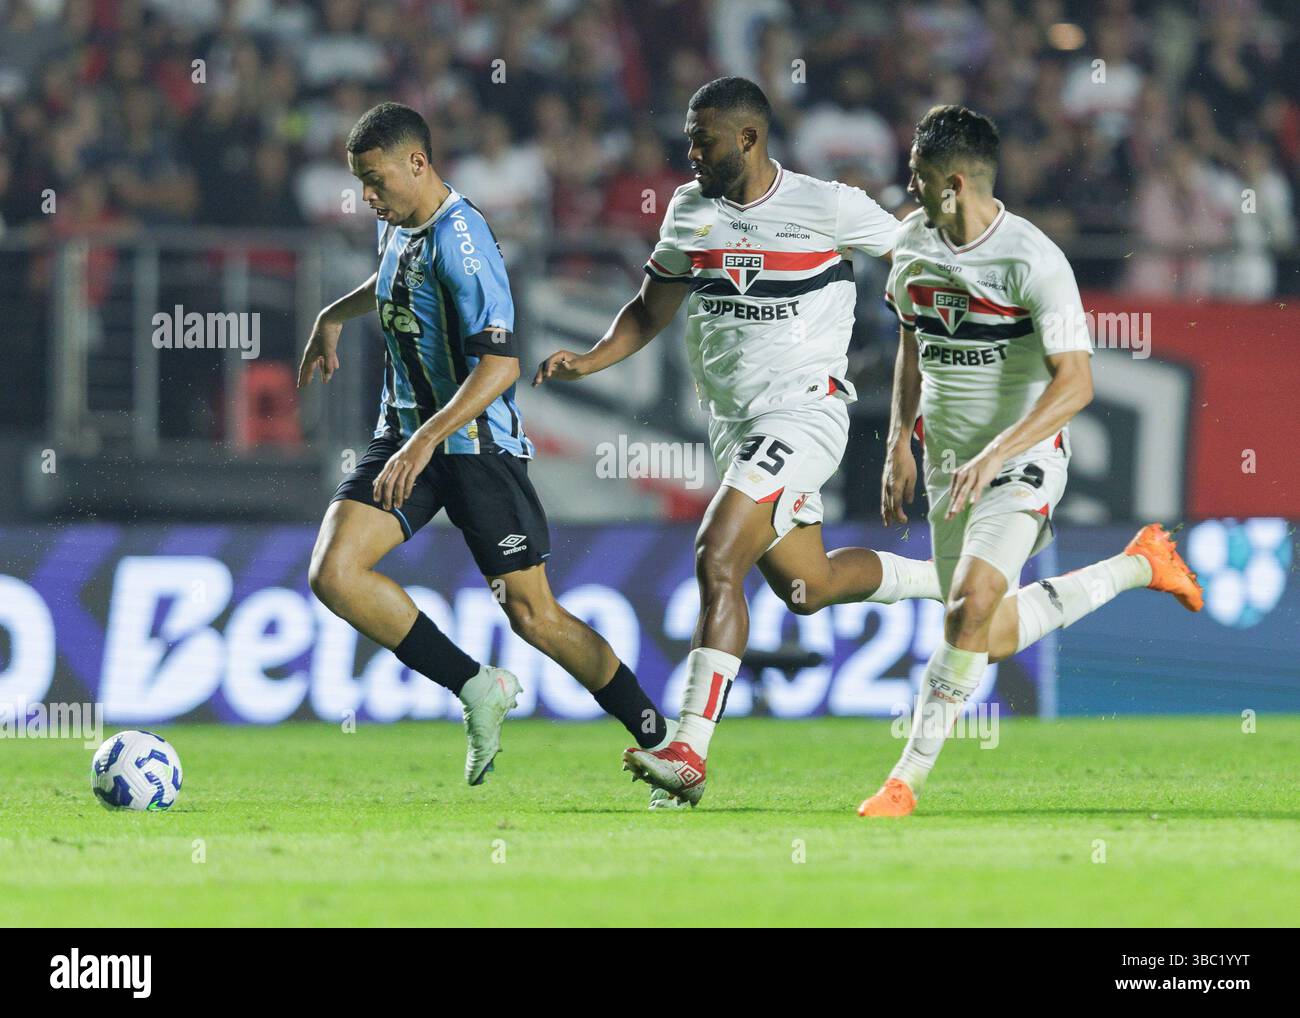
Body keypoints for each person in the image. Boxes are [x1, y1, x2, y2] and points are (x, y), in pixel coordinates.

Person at [534, 78, 942, 808]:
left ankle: (688, 749)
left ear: (749, 139)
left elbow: (920, 261)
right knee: (805, 586)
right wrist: (589, 359)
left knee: (717, 552)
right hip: (735, 427)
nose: (690, 152)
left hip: (804, 414)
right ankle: (955, 579)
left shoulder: (829, 205)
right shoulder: (691, 211)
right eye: (689, 137)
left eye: (704, 139)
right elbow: (649, 306)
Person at [299, 102, 671, 786]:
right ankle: (476, 687)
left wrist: (425, 443)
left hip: (473, 447)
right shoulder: (405, 226)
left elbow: (498, 366)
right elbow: (394, 284)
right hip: (408, 433)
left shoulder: (464, 240)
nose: (367, 197)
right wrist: (334, 315)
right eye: (360, 183)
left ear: (419, 162)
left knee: (536, 617)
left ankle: (659, 734)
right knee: (334, 572)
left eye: (376, 181)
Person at [860, 105, 1202, 818]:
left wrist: (996, 451)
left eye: (918, 176)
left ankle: (905, 780)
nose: (908, 186)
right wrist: (900, 437)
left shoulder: (1032, 258)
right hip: (951, 465)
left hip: (1023, 458)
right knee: (981, 633)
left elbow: (1076, 383)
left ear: (953, 182)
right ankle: (1140, 564)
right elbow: (913, 342)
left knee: (971, 605)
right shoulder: (911, 246)